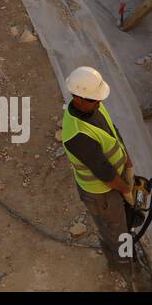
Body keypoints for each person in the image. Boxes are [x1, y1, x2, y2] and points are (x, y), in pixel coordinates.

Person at [61, 66, 135, 280]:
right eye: (95, 99)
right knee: (118, 233)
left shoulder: (93, 107)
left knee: (116, 227)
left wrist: (127, 163)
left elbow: (113, 132)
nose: (100, 102)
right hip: (101, 193)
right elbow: (104, 173)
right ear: (79, 99)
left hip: (114, 182)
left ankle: (119, 260)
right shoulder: (77, 135)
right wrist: (126, 189)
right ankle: (129, 273)